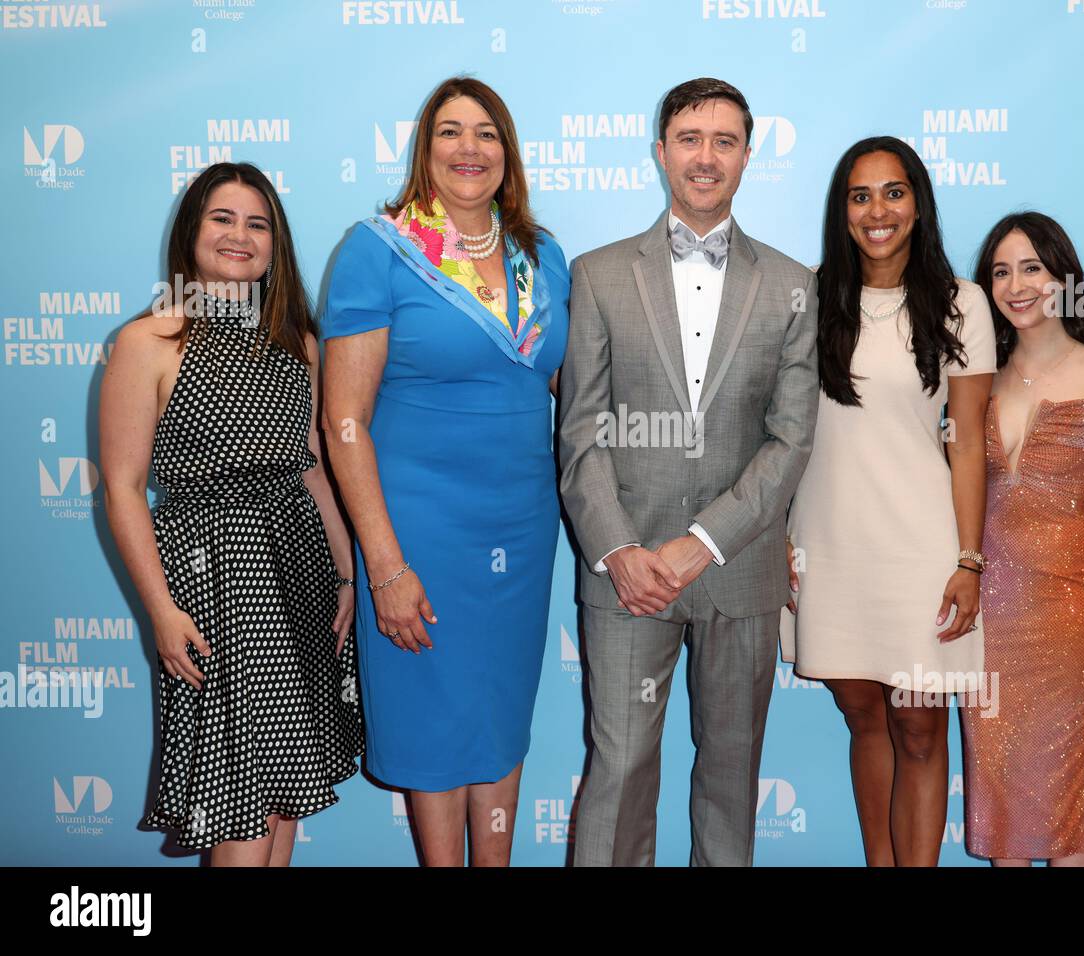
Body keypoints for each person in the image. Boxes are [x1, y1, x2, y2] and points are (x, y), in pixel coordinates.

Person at [558, 77, 819, 867]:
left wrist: (701, 542)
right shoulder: (598, 274)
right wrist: (619, 550)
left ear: (747, 155)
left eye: (725, 141)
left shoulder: (793, 285)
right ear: (661, 150)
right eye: (689, 139)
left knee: (732, 779)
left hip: (739, 571)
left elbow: (791, 440)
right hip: (626, 571)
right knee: (620, 771)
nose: (706, 158)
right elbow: (581, 432)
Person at [320, 77, 569, 867]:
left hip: (522, 536)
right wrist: (384, 567)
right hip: (417, 535)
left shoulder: (544, 256)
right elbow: (343, 422)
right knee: (433, 725)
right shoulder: (376, 250)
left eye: (488, 133)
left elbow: (568, 389)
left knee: (498, 716)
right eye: (451, 132)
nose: (471, 148)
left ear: (509, 152)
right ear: (425, 151)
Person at [100, 161, 363, 866]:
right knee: (241, 801)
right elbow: (123, 487)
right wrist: (160, 611)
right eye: (223, 219)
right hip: (213, 581)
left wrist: (345, 576)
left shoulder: (296, 344)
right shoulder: (148, 342)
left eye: (258, 223)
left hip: (299, 573)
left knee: (282, 794)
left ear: (276, 243)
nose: (240, 236)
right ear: (192, 233)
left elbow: (311, 465)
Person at [780, 136, 995, 866]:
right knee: (863, 714)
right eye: (860, 195)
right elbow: (776, 432)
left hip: (922, 545)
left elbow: (968, 444)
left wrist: (970, 560)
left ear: (918, 204)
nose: (879, 210)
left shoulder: (961, 303)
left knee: (920, 724)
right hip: (828, 542)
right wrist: (776, 534)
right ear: (841, 211)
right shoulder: (806, 298)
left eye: (894, 192)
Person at [960, 211, 1084, 867]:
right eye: (1002, 271)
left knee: (1065, 790)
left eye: (1032, 267)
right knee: (1000, 791)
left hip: (1069, 610)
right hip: (989, 617)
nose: (1016, 285)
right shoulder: (979, 383)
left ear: (1062, 276)